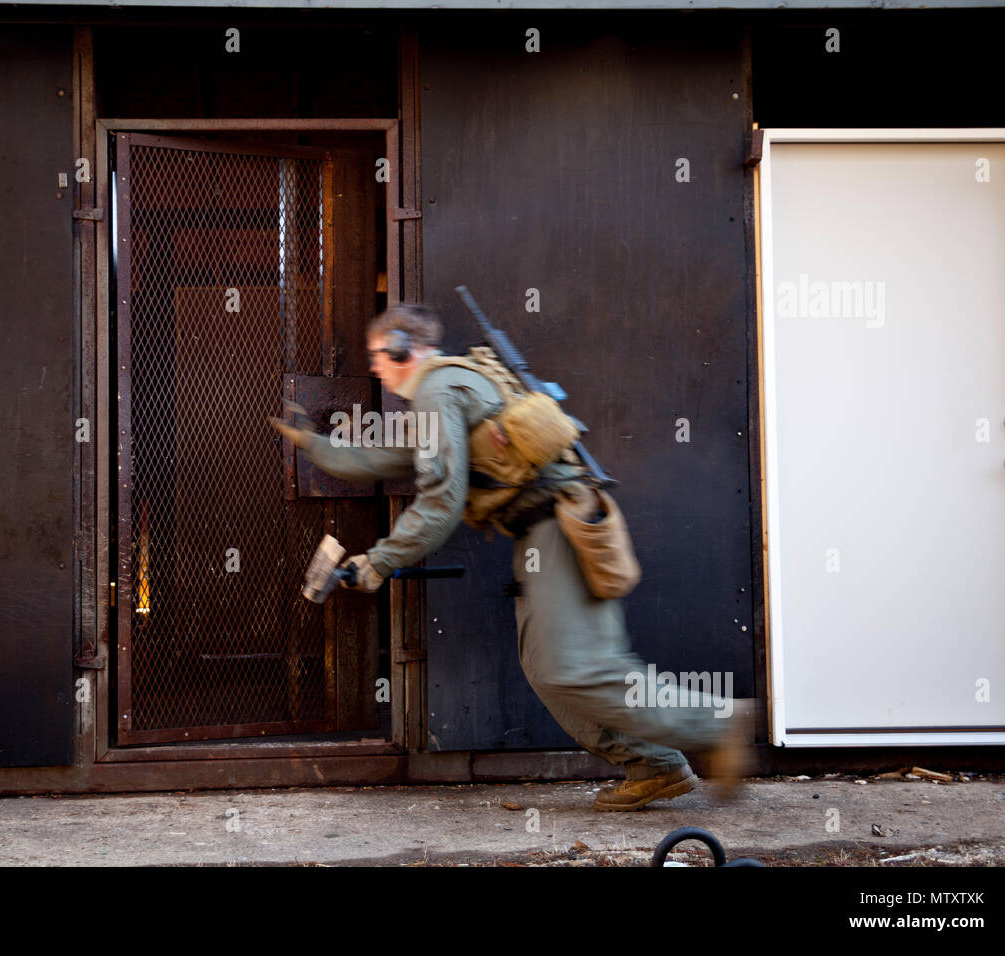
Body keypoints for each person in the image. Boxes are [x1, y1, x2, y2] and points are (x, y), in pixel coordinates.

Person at [269, 302, 753, 810]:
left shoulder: (437, 391)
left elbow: (440, 503)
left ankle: (717, 723)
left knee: (576, 668)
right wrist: (318, 447)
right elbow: (396, 460)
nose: (373, 366)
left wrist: (379, 561)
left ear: (401, 348)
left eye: (377, 354)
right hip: (547, 531)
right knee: (550, 667)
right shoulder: (446, 389)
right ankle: (653, 765)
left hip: (556, 530)